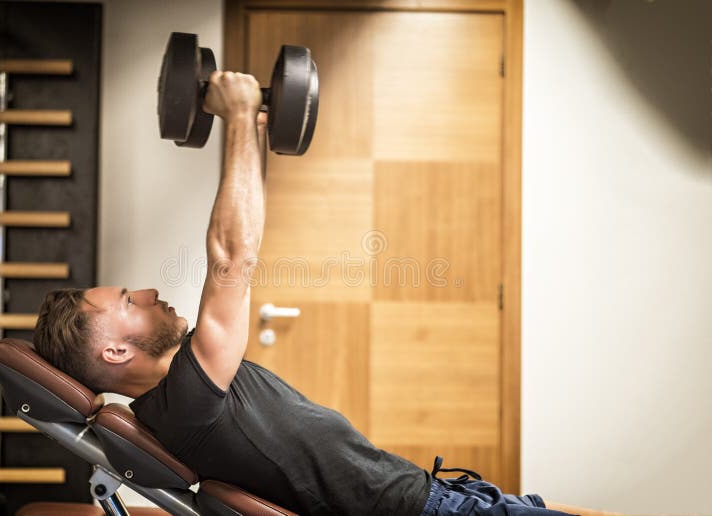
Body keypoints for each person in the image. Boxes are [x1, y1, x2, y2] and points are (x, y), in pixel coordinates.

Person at [32, 70, 605, 516]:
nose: (151, 291)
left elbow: (245, 231)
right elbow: (233, 257)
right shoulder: (186, 401)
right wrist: (233, 116)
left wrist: (253, 126)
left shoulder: (183, 397)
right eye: (130, 301)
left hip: (433, 496)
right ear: (114, 353)